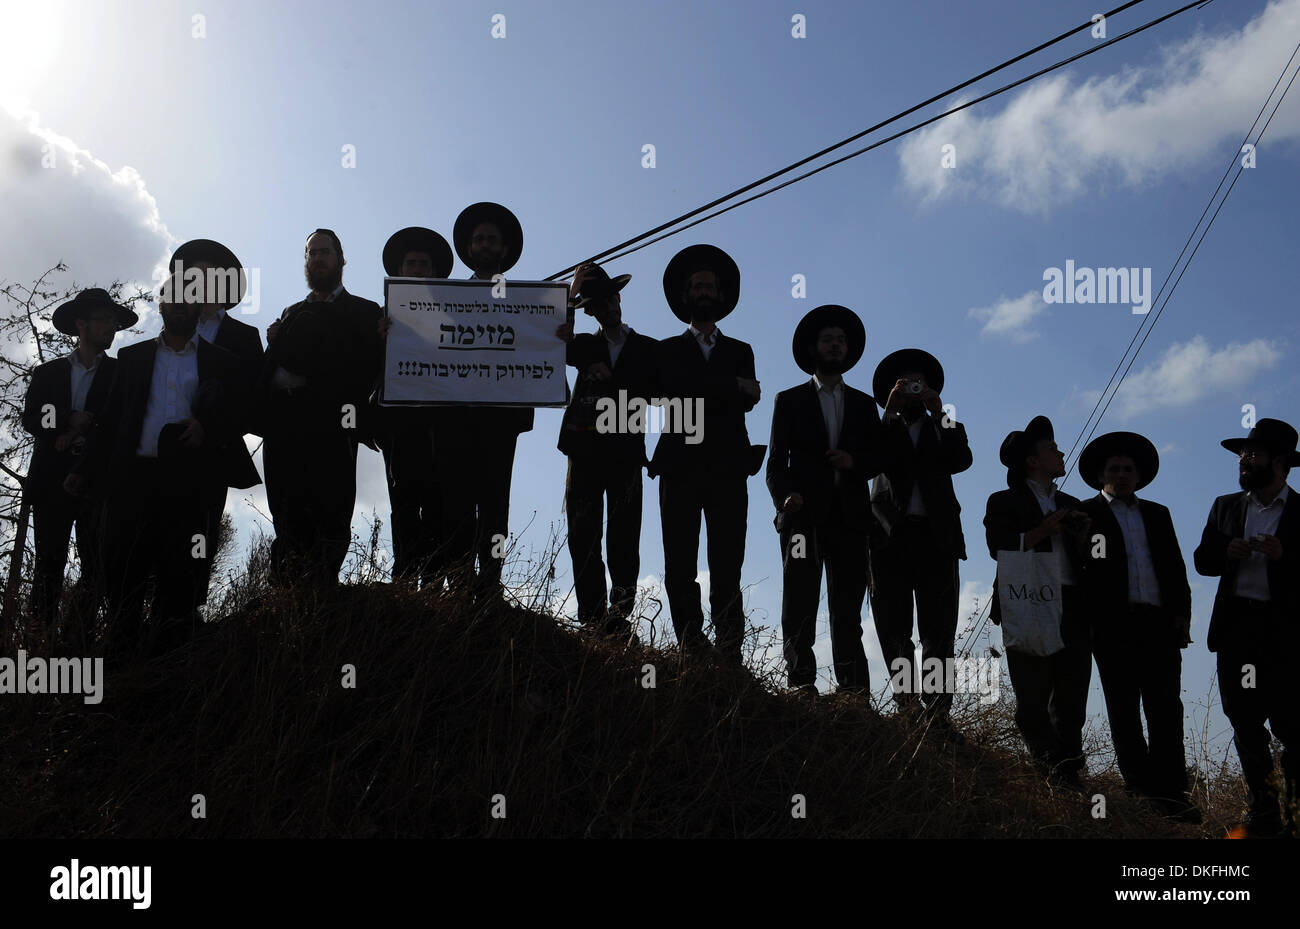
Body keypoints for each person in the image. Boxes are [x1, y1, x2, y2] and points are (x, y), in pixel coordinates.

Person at [66, 273, 259, 656]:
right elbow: (110, 421)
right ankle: (120, 665)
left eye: (190, 298)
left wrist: (208, 427)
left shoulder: (222, 362)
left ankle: (169, 668)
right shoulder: (132, 358)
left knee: (180, 579)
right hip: (135, 482)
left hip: (190, 485)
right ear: (162, 304)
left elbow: (243, 412)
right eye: (174, 297)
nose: (181, 304)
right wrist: (81, 470)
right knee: (125, 577)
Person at [649, 244, 763, 665]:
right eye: (696, 285)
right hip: (678, 468)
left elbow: (735, 399)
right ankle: (691, 647)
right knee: (680, 563)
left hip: (729, 469)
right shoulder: (664, 351)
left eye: (709, 285)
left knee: (727, 565)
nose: (703, 291)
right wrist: (729, 389)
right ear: (685, 296)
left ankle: (730, 654)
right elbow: (668, 398)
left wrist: (699, 389)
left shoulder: (741, 350)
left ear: (720, 294)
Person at [1076, 431, 1198, 822]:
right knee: (1124, 708)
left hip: (1159, 622)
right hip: (1114, 625)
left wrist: (1182, 616)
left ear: (1139, 475)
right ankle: (1139, 789)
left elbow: (1175, 569)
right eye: (1115, 469)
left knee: (1166, 707)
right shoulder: (1086, 514)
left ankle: (1172, 793)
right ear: (1101, 475)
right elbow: (1086, 571)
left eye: (1129, 469)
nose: (1123, 474)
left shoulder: (1158, 514)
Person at [767, 305, 887, 694]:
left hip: (850, 520)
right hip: (802, 516)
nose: (835, 346)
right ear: (813, 348)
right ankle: (801, 684)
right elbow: (775, 462)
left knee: (847, 610)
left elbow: (878, 458)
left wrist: (854, 462)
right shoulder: (788, 400)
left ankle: (853, 693)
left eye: (841, 341)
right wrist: (784, 497)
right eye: (828, 340)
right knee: (799, 603)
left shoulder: (865, 405)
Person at [1194, 418, 1300, 838]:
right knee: (1245, 724)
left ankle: (1294, 818)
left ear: (1280, 462)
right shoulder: (1226, 506)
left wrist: (1283, 557)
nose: (1244, 460)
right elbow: (1203, 560)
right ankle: (1264, 816)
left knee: (1293, 730)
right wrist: (1228, 551)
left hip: (1287, 637)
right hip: (1238, 634)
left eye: (1253, 454)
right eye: (1242, 454)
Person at [261, 229, 382, 590]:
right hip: (286, 433)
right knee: (286, 513)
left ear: (341, 259)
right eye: (311, 253)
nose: (318, 259)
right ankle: (284, 594)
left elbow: (366, 372)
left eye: (325, 252)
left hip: (333, 430)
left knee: (331, 512)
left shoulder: (364, 312)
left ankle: (323, 591)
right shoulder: (291, 313)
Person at [21, 289, 134, 648]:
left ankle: (77, 643)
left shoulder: (120, 373)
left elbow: (119, 422)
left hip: (98, 482)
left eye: (114, 322)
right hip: (50, 483)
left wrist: (86, 430)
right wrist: (68, 420)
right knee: (48, 566)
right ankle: (37, 646)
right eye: (103, 320)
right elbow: (33, 416)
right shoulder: (49, 373)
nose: (110, 328)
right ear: (81, 324)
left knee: (96, 566)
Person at [983, 415, 1092, 785]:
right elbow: (999, 547)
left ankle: (1068, 774)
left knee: (1072, 695)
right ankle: (1049, 764)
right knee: (1032, 697)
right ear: (1032, 461)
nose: (1060, 453)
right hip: (1026, 602)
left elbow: (1093, 556)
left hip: (1073, 603)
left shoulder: (1072, 502)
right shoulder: (1003, 501)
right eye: (1051, 448)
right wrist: (1045, 529)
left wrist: (1082, 535)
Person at [867, 348, 971, 721]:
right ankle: (907, 707)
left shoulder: (943, 425)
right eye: (906, 383)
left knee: (939, 630)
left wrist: (938, 411)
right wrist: (890, 410)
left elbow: (961, 460)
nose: (913, 388)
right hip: (888, 536)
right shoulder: (881, 425)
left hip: (937, 538)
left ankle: (939, 711)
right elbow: (867, 460)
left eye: (919, 383)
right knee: (893, 628)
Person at [555, 262, 657, 641]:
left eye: (609, 298)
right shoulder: (580, 345)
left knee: (625, 536)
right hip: (583, 449)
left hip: (626, 451)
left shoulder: (648, 349)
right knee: (582, 533)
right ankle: (593, 618)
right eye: (596, 304)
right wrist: (570, 294)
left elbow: (660, 392)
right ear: (592, 311)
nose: (607, 307)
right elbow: (551, 338)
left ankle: (619, 617)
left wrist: (616, 381)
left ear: (618, 299)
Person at [438, 202, 534, 602]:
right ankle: (459, 583)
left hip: (500, 420)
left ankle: (490, 583)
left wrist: (561, 332)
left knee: (495, 506)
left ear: (504, 249)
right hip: (455, 417)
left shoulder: (528, 302)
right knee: (457, 503)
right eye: (479, 239)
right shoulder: (444, 298)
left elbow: (538, 348)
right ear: (469, 248)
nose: (485, 245)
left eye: (492, 239)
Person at [170, 238, 263, 601]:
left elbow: (251, 402)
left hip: (210, 453)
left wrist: (210, 428)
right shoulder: (171, 330)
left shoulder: (243, 338)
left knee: (199, 535)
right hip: (160, 452)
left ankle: (189, 615)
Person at [376, 226, 454, 587]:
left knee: (439, 500)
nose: (418, 269)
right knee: (403, 500)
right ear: (400, 270)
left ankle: (435, 577)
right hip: (399, 423)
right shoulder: (382, 318)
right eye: (412, 263)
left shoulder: (458, 314)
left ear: (435, 272)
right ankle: (404, 576)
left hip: (442, 422)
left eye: (425, 264)